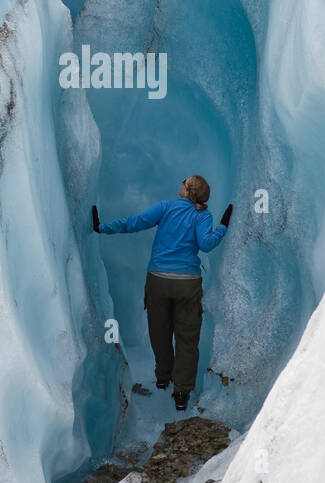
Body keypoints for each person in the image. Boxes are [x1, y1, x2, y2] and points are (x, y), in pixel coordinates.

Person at [92, 176, 232, 412]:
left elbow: (135, 222)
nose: (180, 183)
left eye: (184, 182)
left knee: (160, 330)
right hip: (187, 283)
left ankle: (163, 376)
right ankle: (181, 392)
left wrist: (102, 228)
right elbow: (206, 244)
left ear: (187, 191)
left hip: (158, 280)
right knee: (187, 338)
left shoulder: (165, 207)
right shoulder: (202, 216)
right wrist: (223, 226)